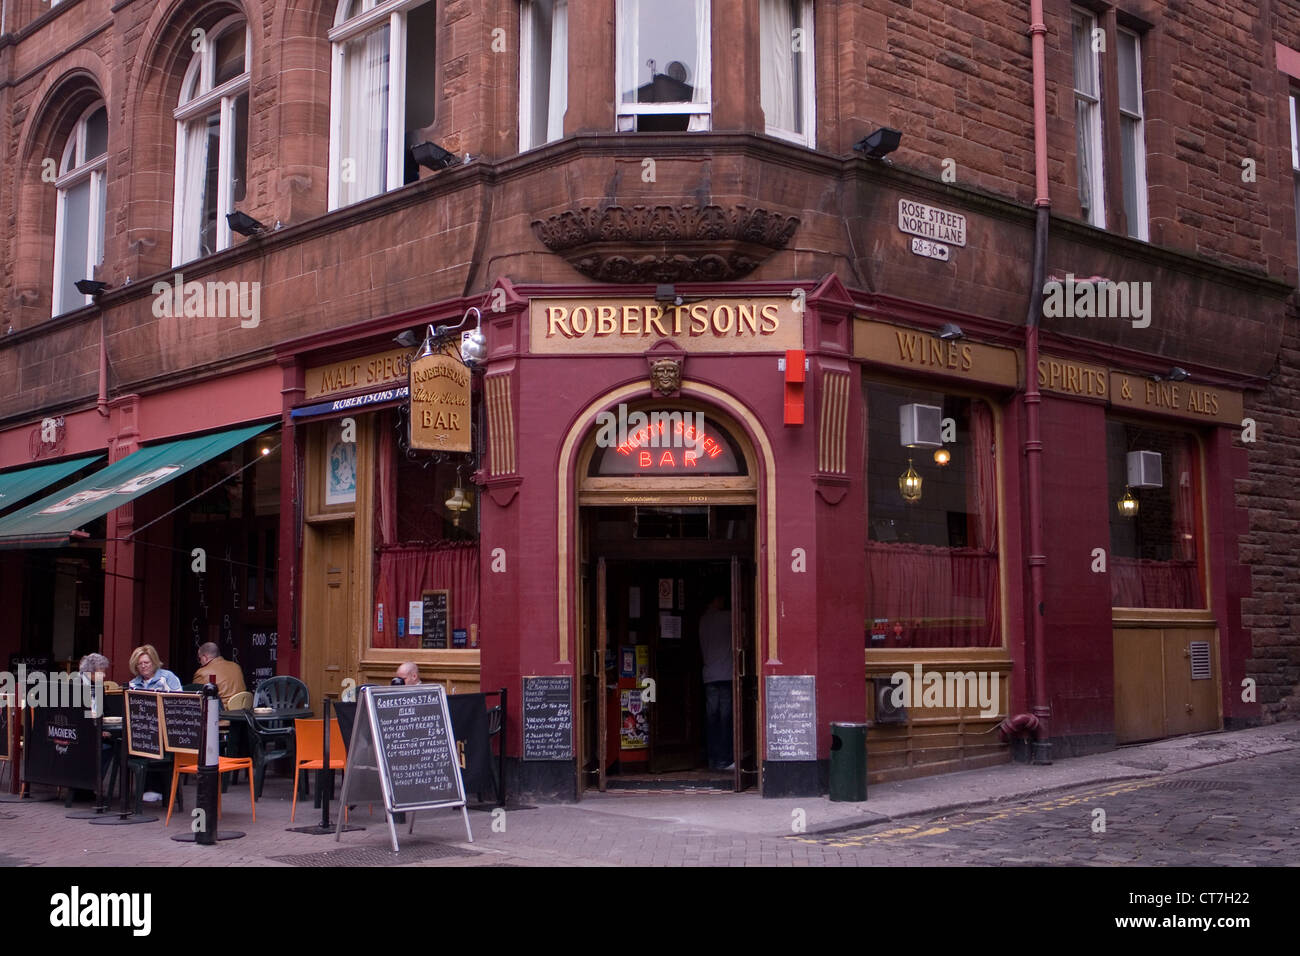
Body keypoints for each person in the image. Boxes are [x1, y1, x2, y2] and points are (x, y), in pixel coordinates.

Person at [697, 593, 734, 772]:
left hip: (709, 676)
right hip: (726, 675)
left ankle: (712, 759)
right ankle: (725, 759)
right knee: (725, 719)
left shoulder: (703, 621)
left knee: (712, 719)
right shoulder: (727, 617)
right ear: (717, 599)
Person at [193, 642, 246, 707]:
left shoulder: (202, 673)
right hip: (242, 710)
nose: (200, 662)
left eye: (199, 659)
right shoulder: (236, 666)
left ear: (205, 657)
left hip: (220, 713)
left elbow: (196, 700)